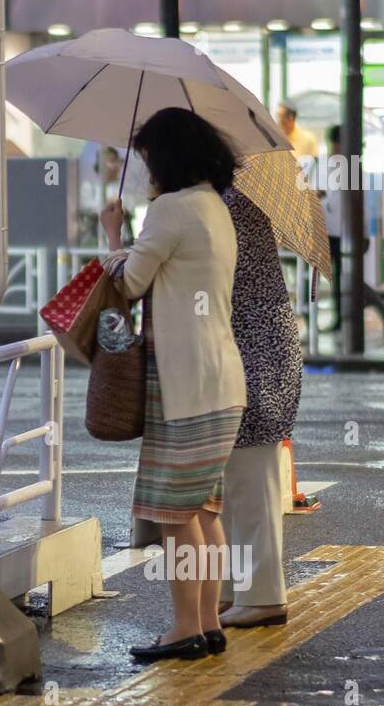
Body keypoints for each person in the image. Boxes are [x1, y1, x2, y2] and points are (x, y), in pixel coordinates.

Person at [101, 108, 246, 664]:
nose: (143, 169)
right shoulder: (214, 205)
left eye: (145, 158)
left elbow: (131, 281)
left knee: (174, 516)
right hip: (222, 382)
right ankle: (206, 624)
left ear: (165, 157)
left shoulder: (169, 209)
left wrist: (111, 237)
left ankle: (185, 627)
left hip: (185, 389)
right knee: (204, 513)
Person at [216, 186, 304, 629]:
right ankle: (238, 590)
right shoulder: (239, 200)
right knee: (239, 479)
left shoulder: (226, 207)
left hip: (255, 358)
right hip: (261, 351)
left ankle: (264, 595)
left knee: (252, 480)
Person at [323, 126, 384, 337]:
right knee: (342, 275)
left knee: (348, 276)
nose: (333, 148)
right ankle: (342, 317)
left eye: (335, 143)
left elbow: (346, 202)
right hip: (340, 231)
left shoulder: (348, 166)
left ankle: (377, 305)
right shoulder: (341, 166)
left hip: (345, 232)